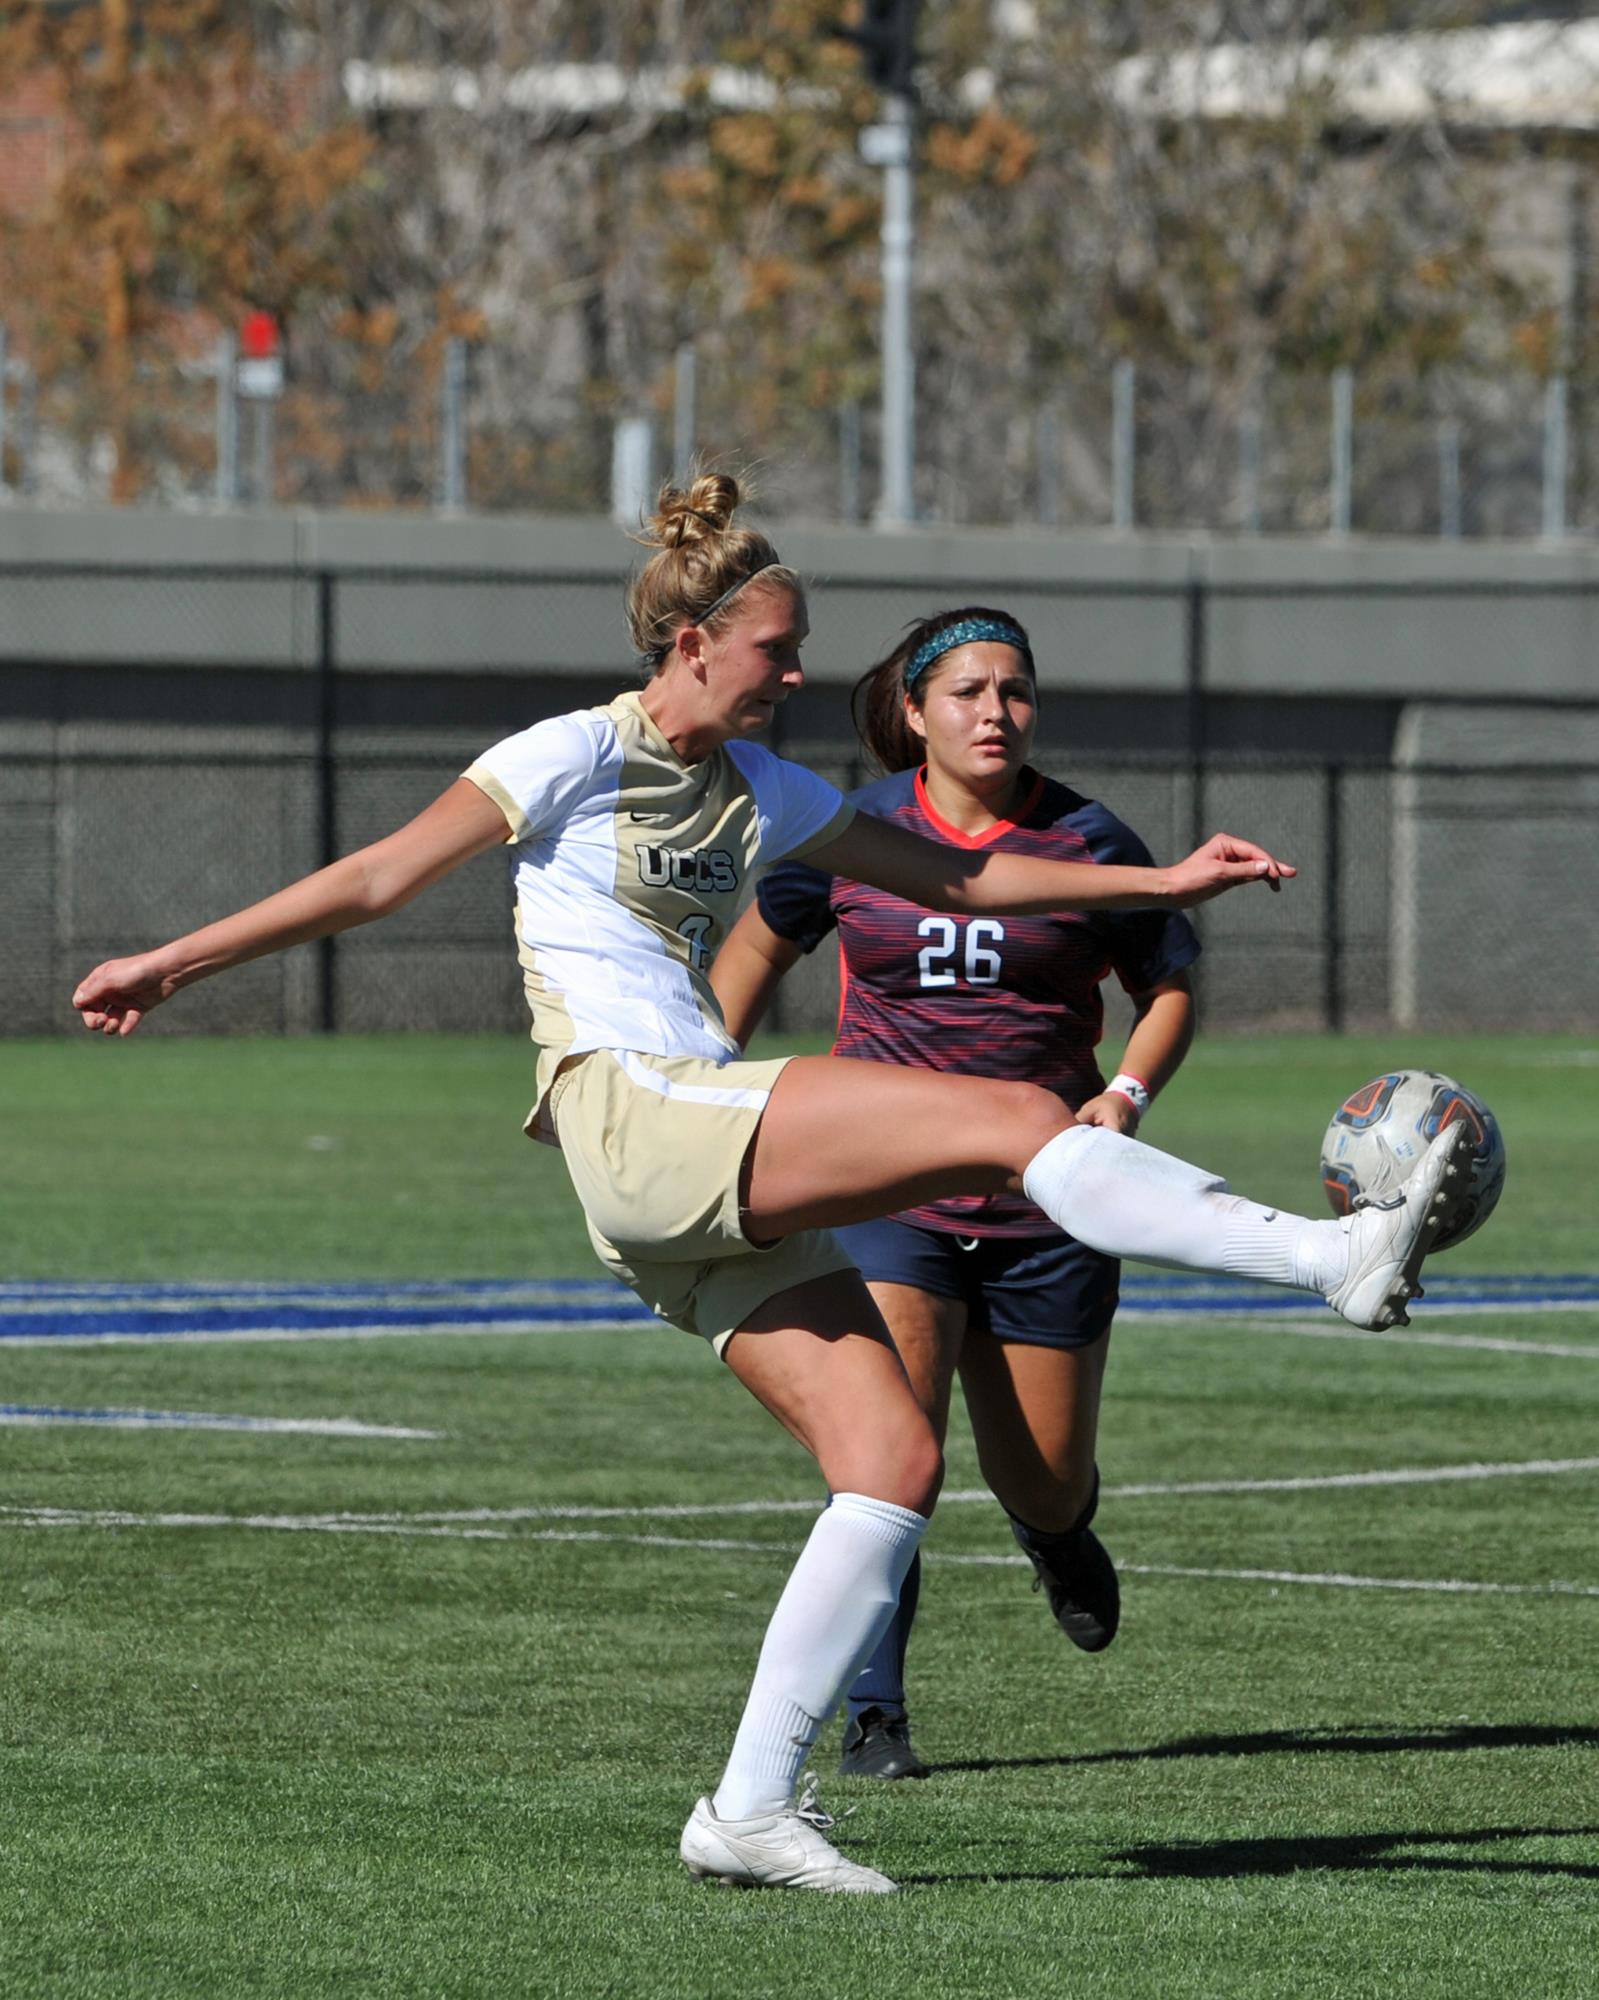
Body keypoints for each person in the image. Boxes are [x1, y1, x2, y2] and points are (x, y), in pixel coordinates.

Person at [72, 474, 1468, 1897]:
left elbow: (962, 884)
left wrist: (1159, 887)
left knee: (892, 1462)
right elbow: (377, 878)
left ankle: (746, 1808)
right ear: (691, 643)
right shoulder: (570, 752)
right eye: (775, 650)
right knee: (1012, 1115)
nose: (797, 676)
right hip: (632, 1108)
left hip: (676, 1163)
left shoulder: (764, 789)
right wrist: (171, 964)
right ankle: (1326, 1259)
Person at [709, 604, 1197, 1780]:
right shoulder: (851, 831)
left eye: (1014, 690)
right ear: (916, 710)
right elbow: (752, 955)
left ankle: (1056, 1533)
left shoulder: (1087, 837)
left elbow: (1170, 984)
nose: (995, 711)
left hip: (1047, 1197)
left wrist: (1125, 1094)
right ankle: (875, 1710)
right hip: (889, 1190)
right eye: (969, 690)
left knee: (1047, 1473)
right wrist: (699, 1086)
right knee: (892, 1444)